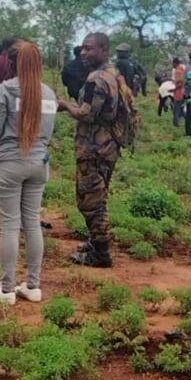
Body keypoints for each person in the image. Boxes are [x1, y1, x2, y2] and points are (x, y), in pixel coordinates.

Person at [0, 39, 56, 305]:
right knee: (32, 222)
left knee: (10, 224)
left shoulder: (6, 90)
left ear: (12, 63)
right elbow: (49, 131)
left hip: (9, 163)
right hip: (39, 163)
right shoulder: (48, 93)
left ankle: (6, 290)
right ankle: (33, 286)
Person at [60, 32, 135, 268]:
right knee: (99, 194)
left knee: (91, 199)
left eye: (90, 48)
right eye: (83, 48)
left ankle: (100, 252)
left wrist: (63, 104)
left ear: (104, 50)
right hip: (109, 144)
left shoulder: (97, 80)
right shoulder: (115, 74)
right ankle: (95, 241)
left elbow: (87, 114)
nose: (84, 52)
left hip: (94, 146)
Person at [169, 56, 186, 128]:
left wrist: (174, 90)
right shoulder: (184, 67)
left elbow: (181, 82)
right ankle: (189, 122)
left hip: (179, 93)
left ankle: (176, 126)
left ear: (175, 63)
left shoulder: (178, 70)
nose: (172, 65)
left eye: (172, 64)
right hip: (184, 92)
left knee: (175, 110)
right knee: (181, 109)